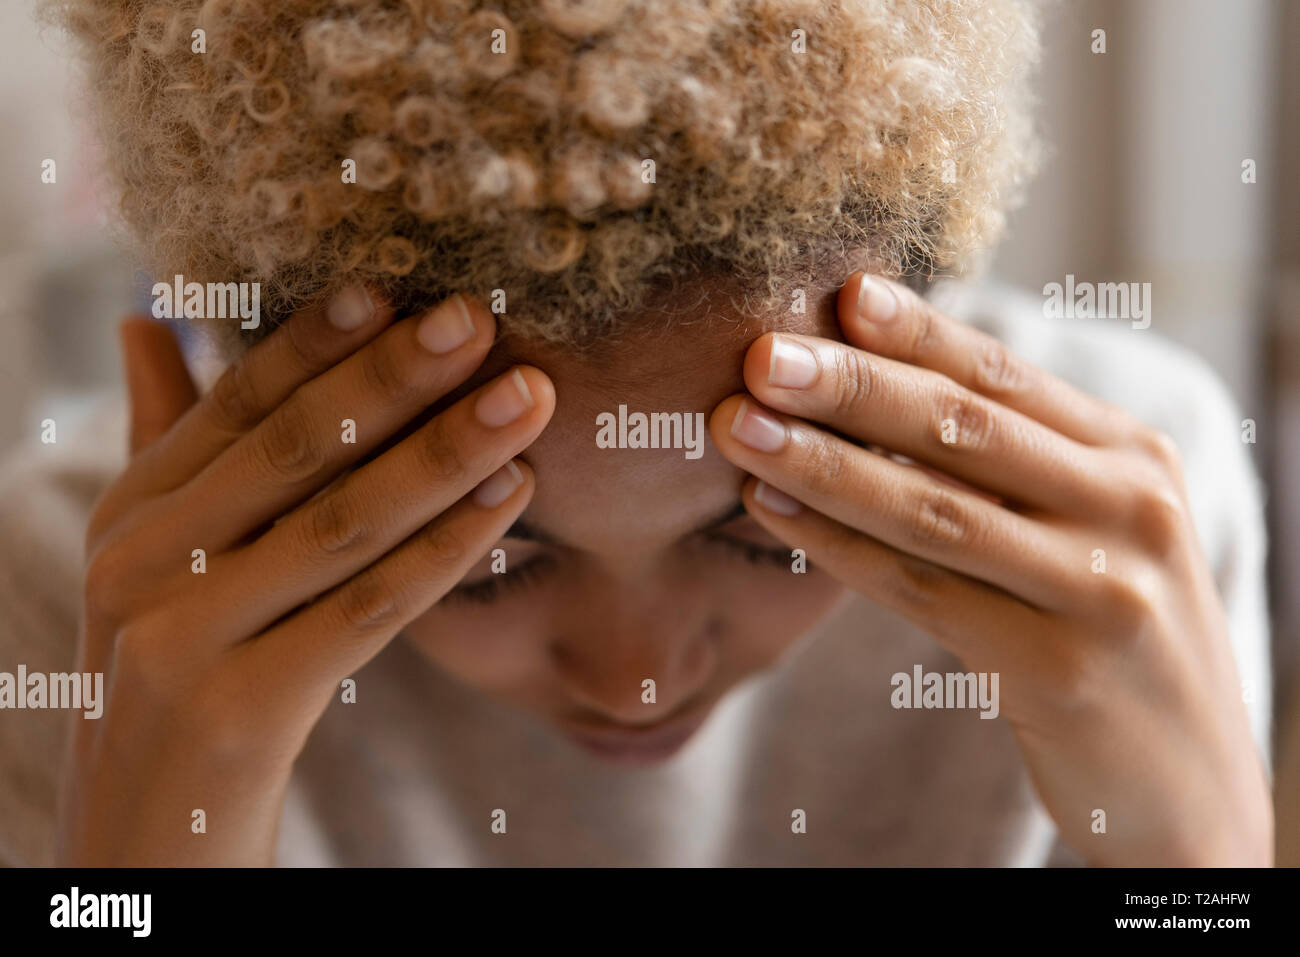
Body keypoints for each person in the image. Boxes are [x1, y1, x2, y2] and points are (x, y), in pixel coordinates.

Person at [1, 0, 1271, 866]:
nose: (636, 680)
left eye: (774, 538)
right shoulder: (93, 604)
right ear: (240, 372)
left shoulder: (1109, 538)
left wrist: (1196, 863)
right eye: (490, 563)